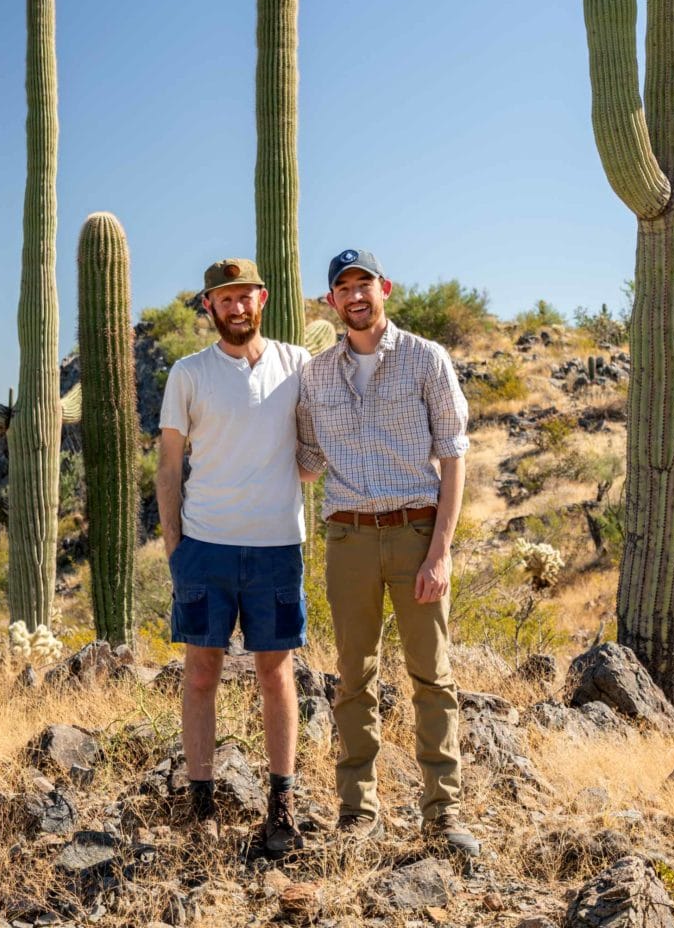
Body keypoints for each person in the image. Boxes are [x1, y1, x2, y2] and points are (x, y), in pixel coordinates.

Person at [295, 248, 481, 856]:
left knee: (432, 675)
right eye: (342, 287)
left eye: (364, 283)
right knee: (353, 678)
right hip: (347, 538)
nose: (355, 295)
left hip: (415, 533)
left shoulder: (427, 359)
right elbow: (304, 460)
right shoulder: (316, 375)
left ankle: (444, 813)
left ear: (385, 289)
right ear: (330, 301)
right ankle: (358, 812)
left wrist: (441, 552)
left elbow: (454, 456)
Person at [156, 257, 316, 854]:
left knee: (277, 675)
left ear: (263, 299)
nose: (236, 308)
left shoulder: (297, 364)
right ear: (209, 307)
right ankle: (201, 809)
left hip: (278, 547)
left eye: (244, 296)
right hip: (206, 547)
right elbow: (169, 468)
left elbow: (320, 438)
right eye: (224, 299)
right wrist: (177, 549)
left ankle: (282, 805)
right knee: (201, 675)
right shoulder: (188, 374)